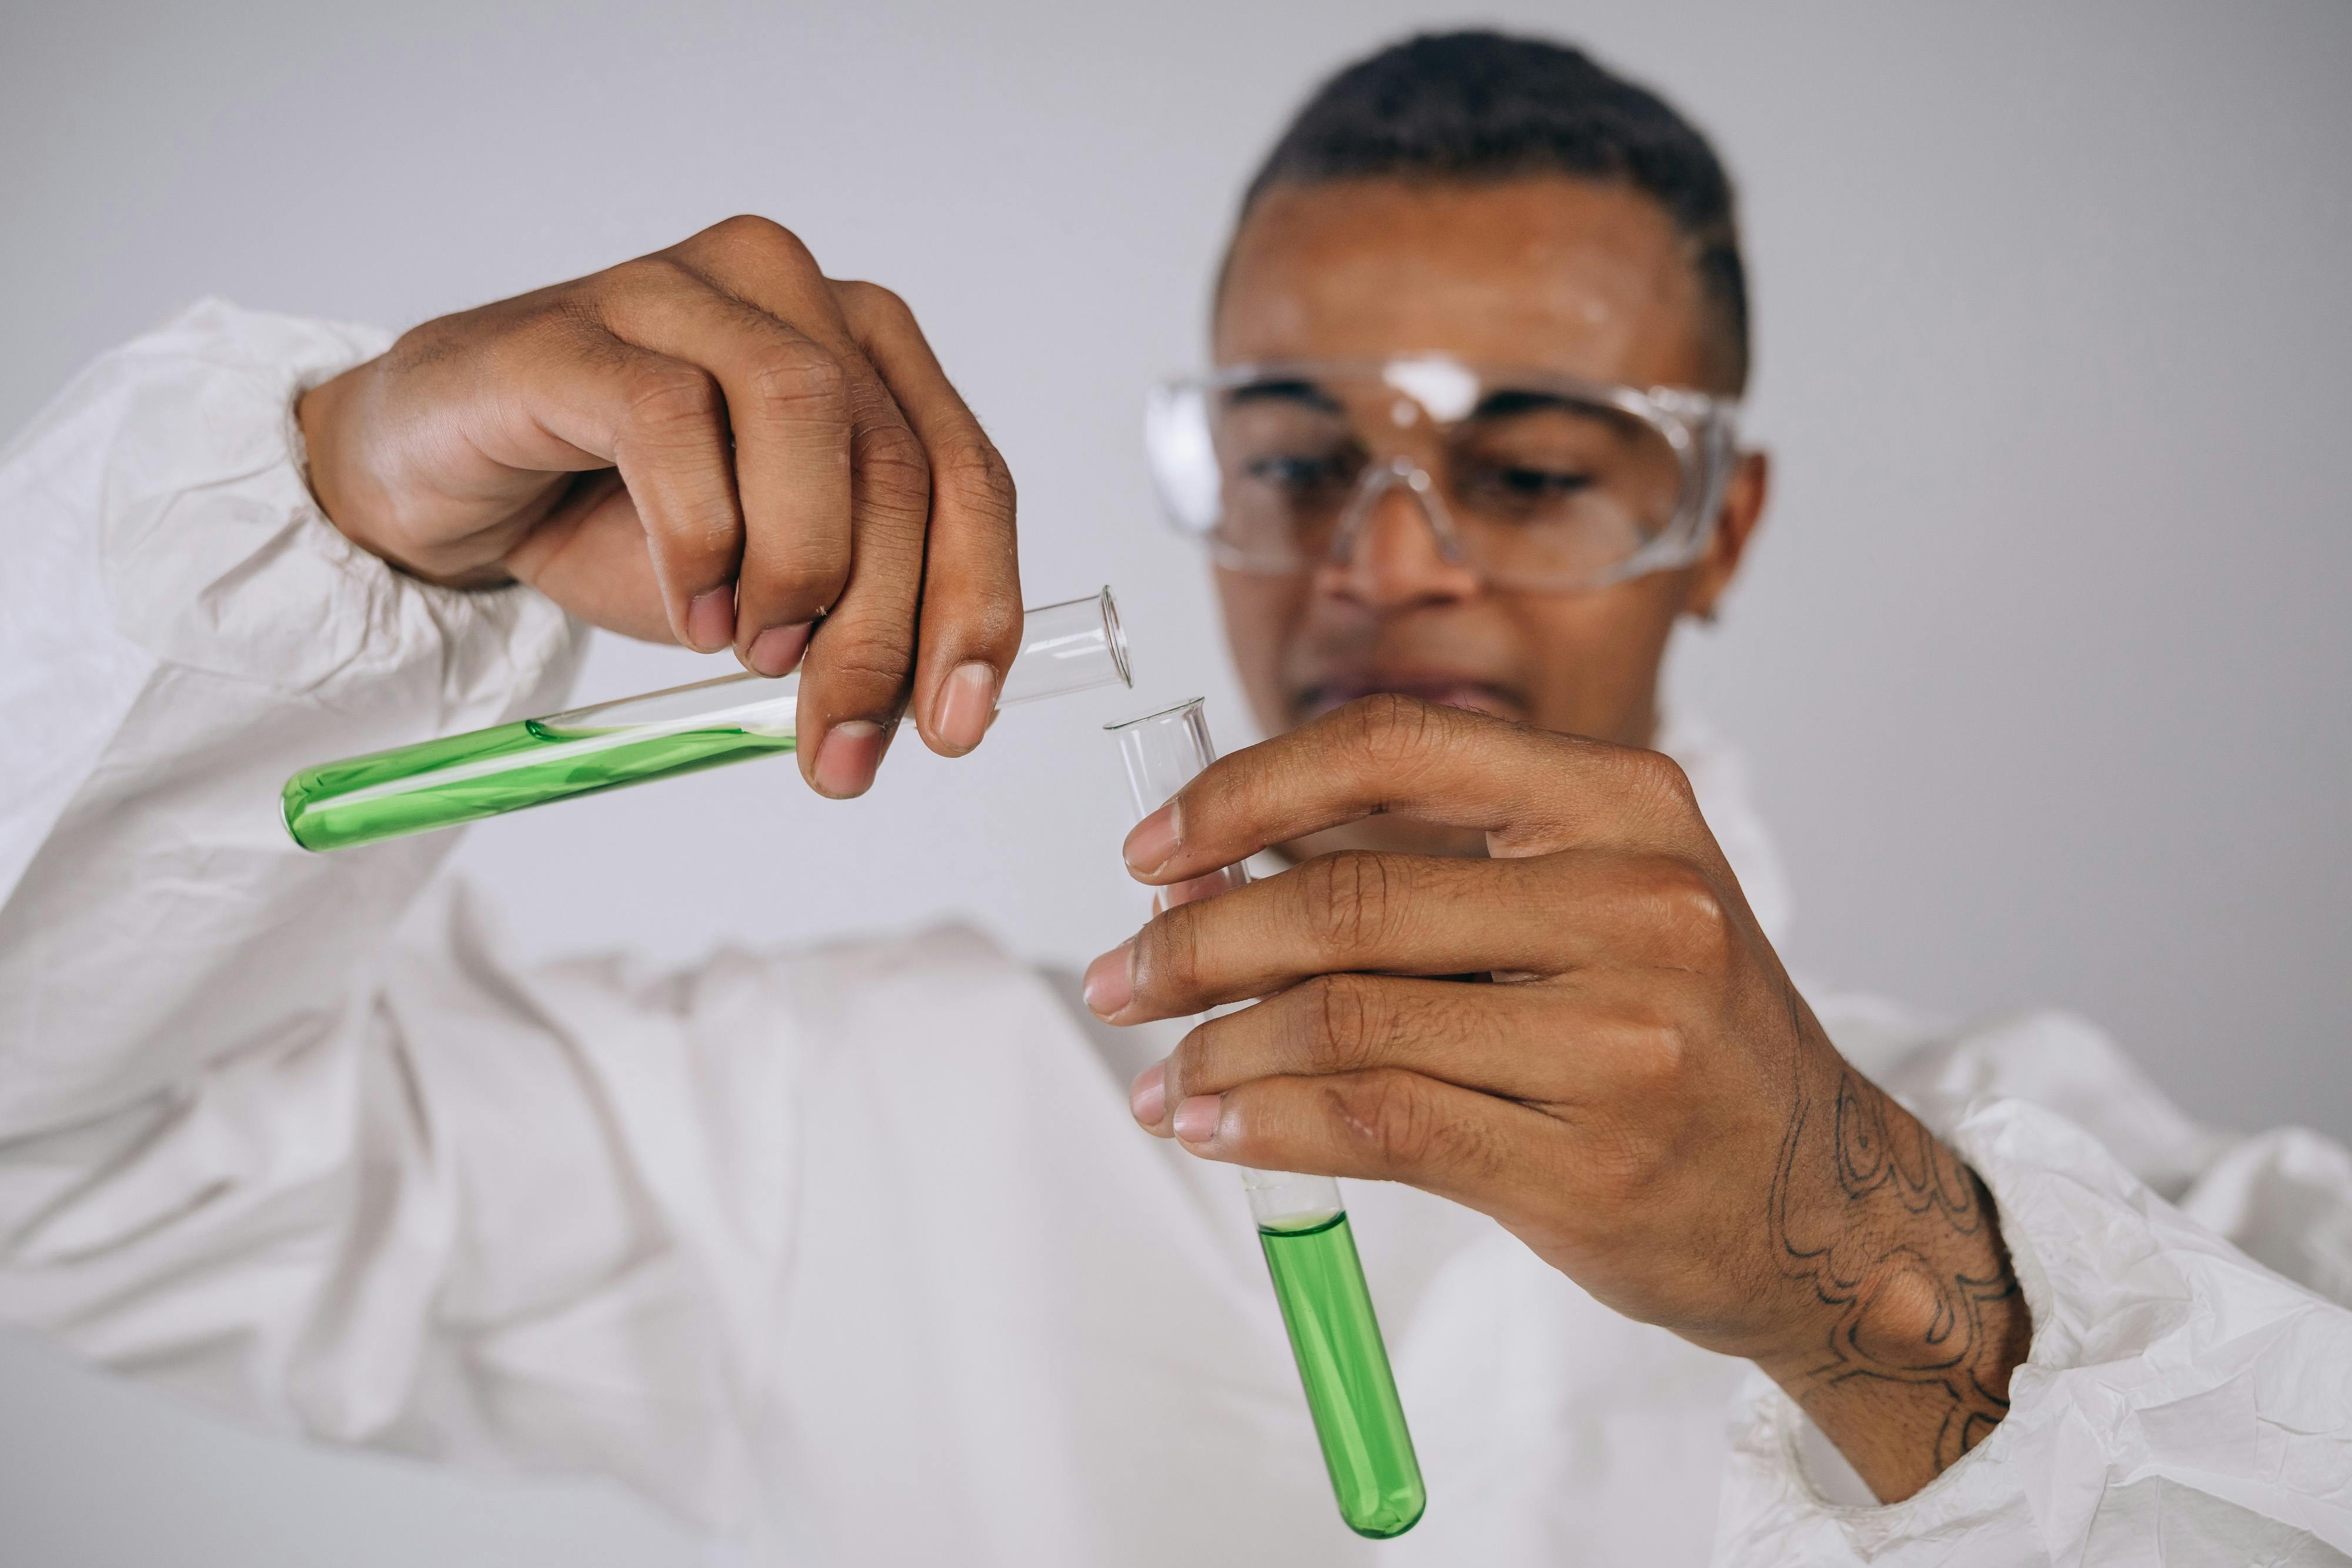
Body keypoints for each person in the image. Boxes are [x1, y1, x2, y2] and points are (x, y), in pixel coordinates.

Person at [2, 29, 2347, 1568]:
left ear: (1713, 528)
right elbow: (54, 1145)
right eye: (1294, 454)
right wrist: (337, 495)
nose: (1385, 555)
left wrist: (1898, 1298)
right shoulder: (848, 1121)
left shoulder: (2112, 1213)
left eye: (1531, 463)